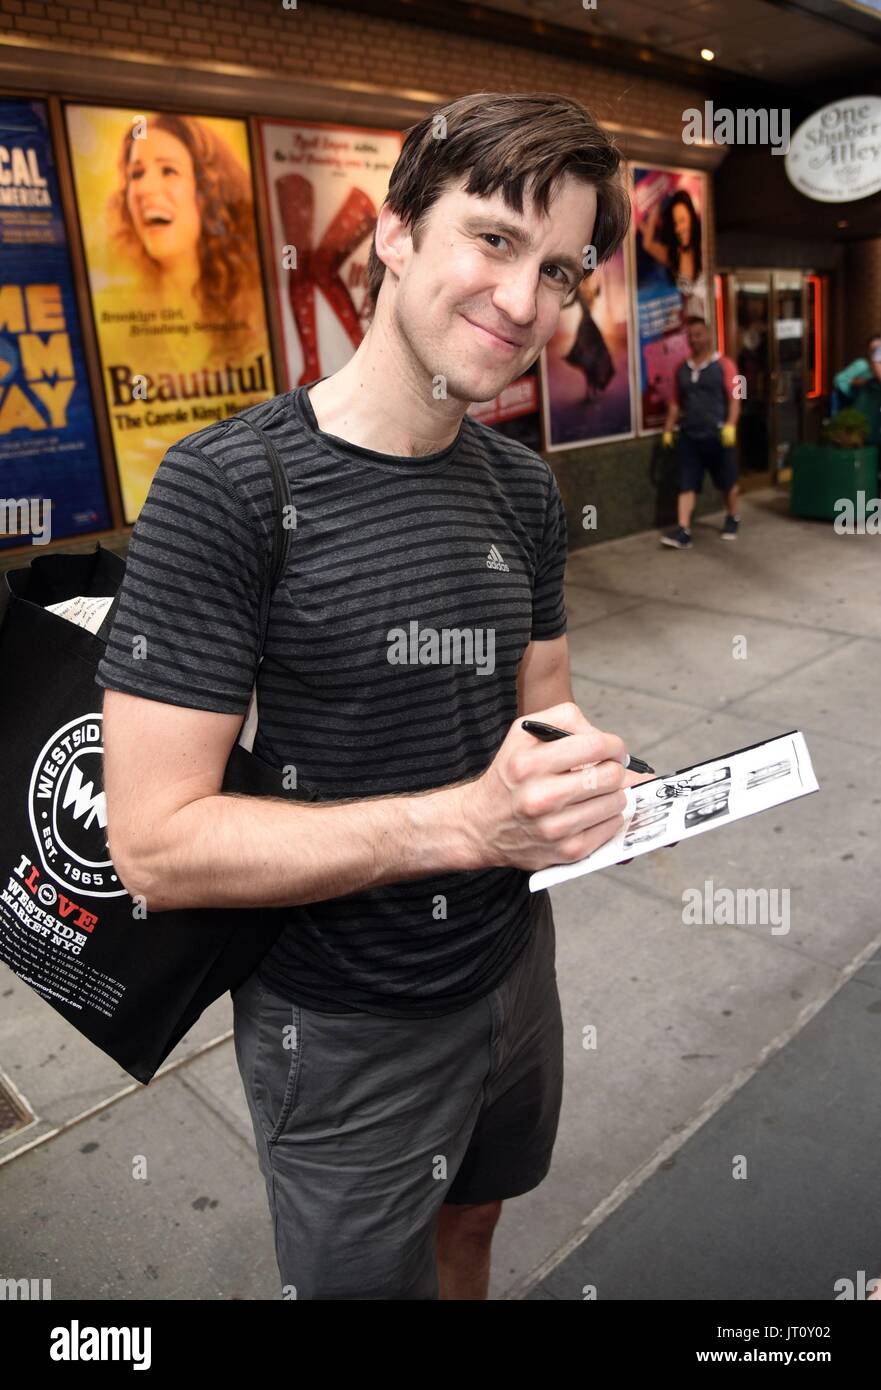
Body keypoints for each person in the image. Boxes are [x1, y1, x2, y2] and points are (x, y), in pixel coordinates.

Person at [96, 91, 654, 1301]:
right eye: (493, 239)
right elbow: (153, 844)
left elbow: (541, 701)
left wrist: (581, 781)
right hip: (340, 1029)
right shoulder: (225, 489)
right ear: (396, 233)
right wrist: (466, 822)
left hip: (513, 973)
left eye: (558, 270)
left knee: (473, 1231)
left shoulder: (523, 491)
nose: (521, 302)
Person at [660, 316, 742, 549]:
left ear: (709, 335)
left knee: (727, 483)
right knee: (687, 484)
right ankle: (683, 530)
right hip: (690, 436)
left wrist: (731, 425)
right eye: (691, 336)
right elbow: (676, 403)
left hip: (718, 435)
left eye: (699, 334)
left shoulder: (726, 365)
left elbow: (736, 399)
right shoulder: (681, 369)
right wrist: (668, 429)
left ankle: (733, 516)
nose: (694, 340)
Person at [833, 334, 881, 402]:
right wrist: (853, 386)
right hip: (862, 402)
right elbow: (839, 380)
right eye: (873, 350)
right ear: (868, 351)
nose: (877, 354)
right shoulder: (862, 365)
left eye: (879, 350)